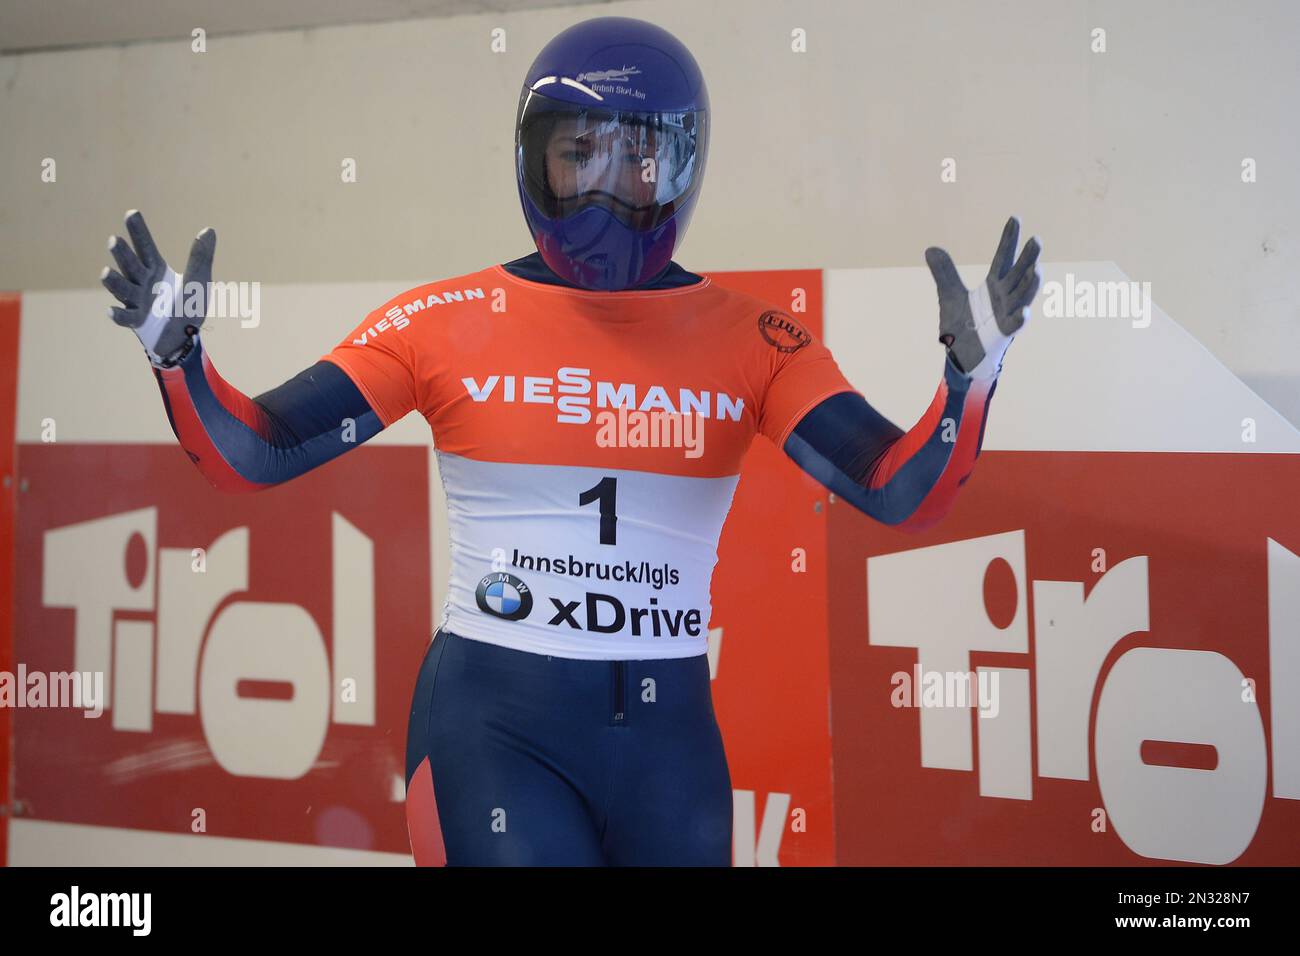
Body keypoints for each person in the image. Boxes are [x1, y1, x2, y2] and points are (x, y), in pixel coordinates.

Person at [100, 16, 1041, 866]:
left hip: (669, 751)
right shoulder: (440, 322)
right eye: (574, 154)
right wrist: (177, 357)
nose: (598, 186)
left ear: (680, 167)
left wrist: (971, 380)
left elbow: (899, 491)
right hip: (495, 736)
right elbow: (253, 454)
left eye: (631, 158)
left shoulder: (758, 339)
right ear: (531, 161)